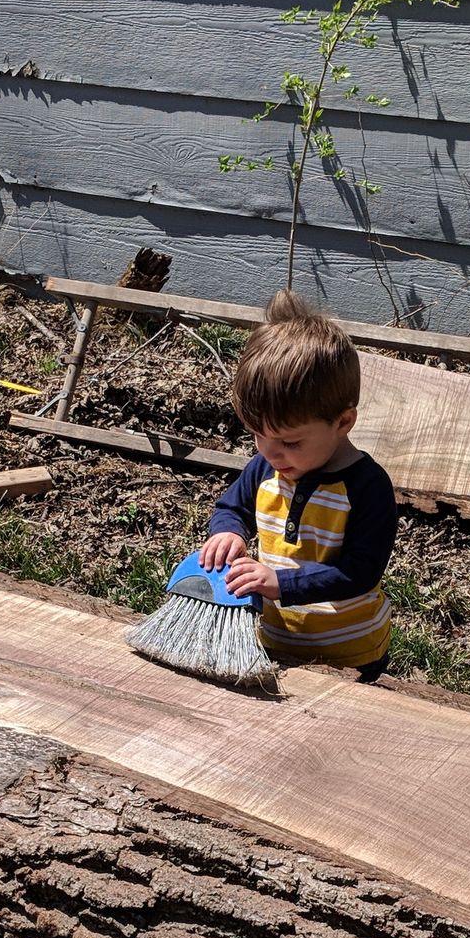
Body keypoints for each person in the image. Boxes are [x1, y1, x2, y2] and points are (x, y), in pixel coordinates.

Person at [198, 291, 397, 682]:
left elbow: (360, 572)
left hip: (350, 651)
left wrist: (281, 583)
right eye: (258, 434)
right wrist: (228, 534)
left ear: (343, 422)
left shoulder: (367, 487)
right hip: (274, 639)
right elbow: (231, 509)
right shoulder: (265, 467)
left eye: (290, 442)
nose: (271, 452)